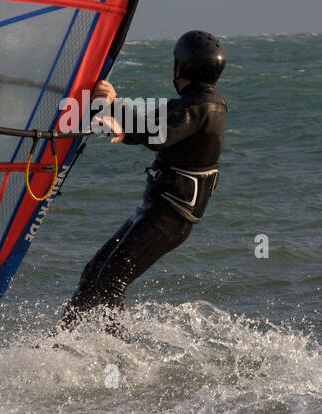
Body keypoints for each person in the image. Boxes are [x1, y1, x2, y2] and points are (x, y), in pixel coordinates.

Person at [59, 30, 228, 334]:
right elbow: (154, 130)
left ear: (182, 67)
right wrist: (121, 127)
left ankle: (123, 355)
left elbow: (157, 135)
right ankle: (58, 342)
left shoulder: (201, 106)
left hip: (170, 218)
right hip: (157, 209)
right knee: (93, 274)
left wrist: (115, 102)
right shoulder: (193, 102)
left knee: (111, 280)